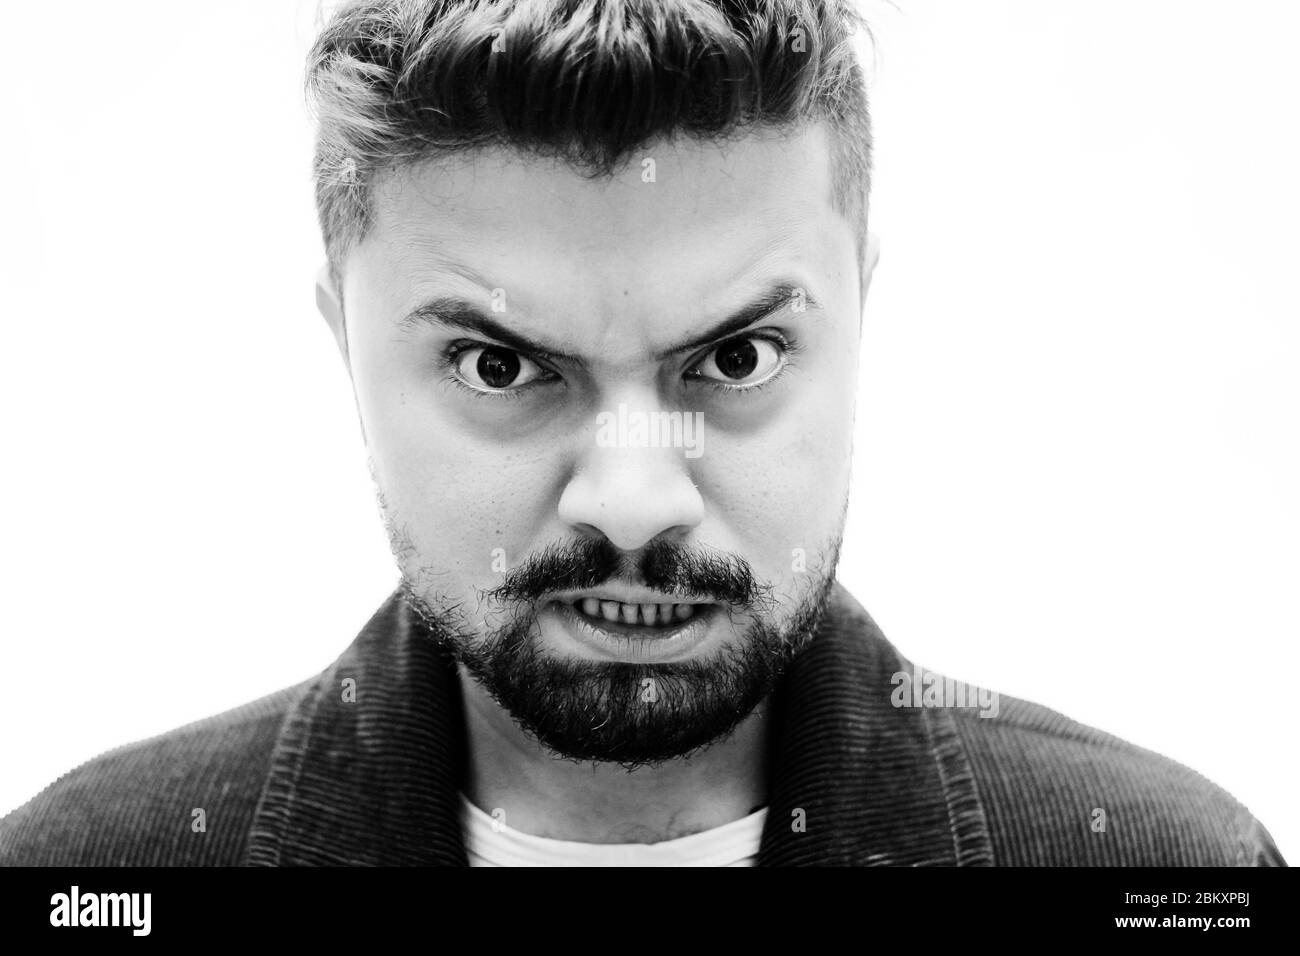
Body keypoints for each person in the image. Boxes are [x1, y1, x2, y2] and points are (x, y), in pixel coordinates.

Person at [0, 0, 1283, 867]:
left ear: (862, 313)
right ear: (344, 340)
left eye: (733, 356)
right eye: (500, 363)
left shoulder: (1170, 875)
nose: (630, 499)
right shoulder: (82, 877)